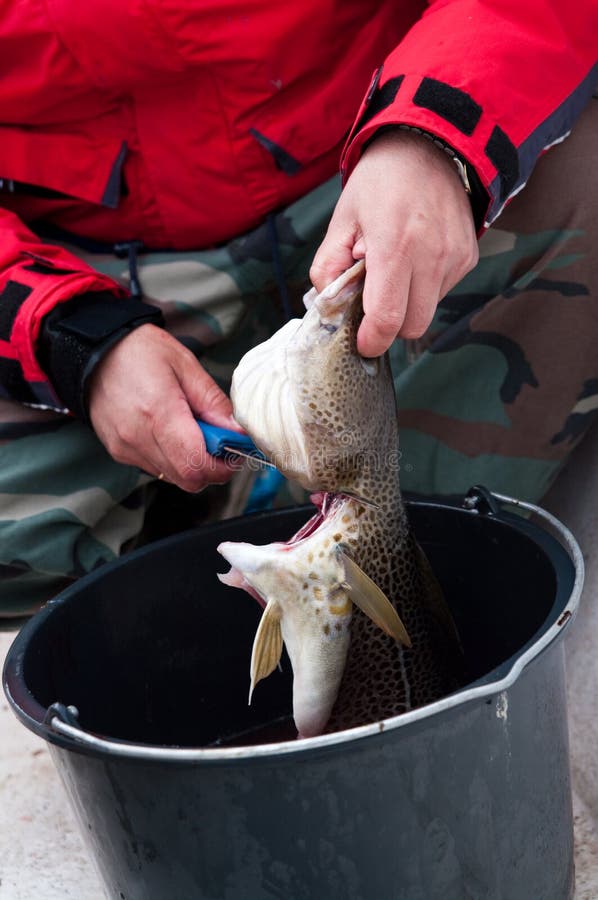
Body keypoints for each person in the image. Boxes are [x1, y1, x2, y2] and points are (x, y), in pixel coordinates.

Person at [0, 1, 596, 615]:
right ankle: (206, 535)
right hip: (74, 258)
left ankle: (403, 572)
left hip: (366, 155)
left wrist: (433, 137)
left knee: (586, 180)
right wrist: (72, 338)